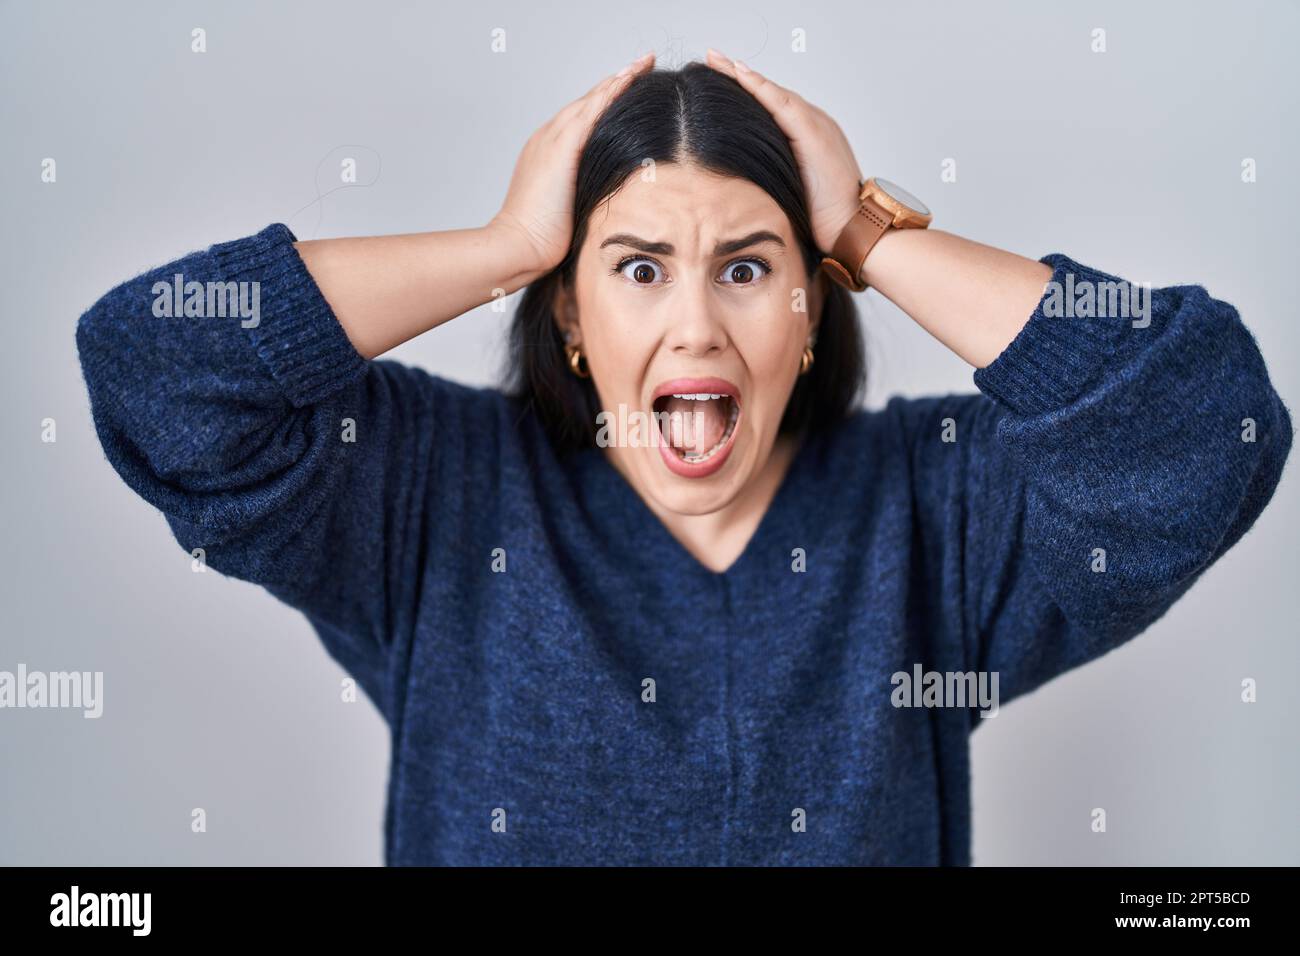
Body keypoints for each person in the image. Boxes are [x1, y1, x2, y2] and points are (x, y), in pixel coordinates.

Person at [74, 51, 1292, 865]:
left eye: (750, 268)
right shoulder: (433, 489)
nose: (696, 324)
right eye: (638, 267)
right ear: (567, 311)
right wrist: (503, 242)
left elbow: (1203, 424)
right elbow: (151, 365)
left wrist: (866, 230)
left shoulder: (935, 510)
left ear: (813, 307)